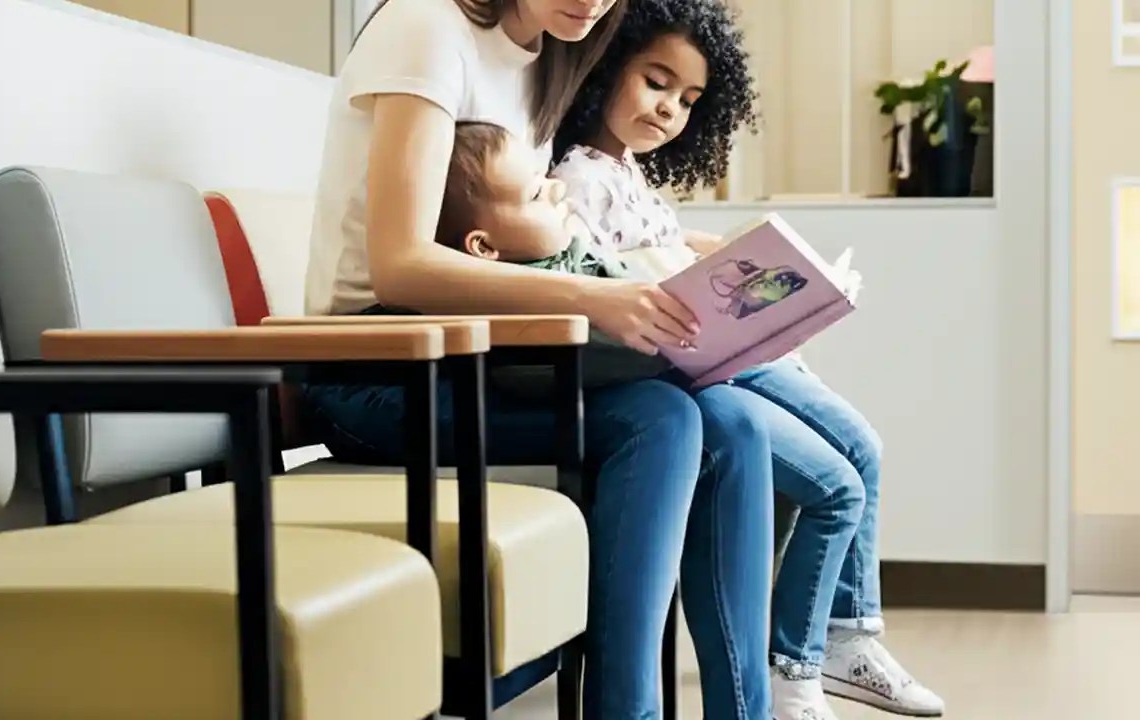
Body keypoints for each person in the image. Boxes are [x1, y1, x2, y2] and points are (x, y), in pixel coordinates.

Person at [301, 0, 777, 717]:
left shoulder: (546, 57)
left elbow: (531, 229)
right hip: (379, 366)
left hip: (484, 350)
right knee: (663, 419)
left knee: (732, 424)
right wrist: (590, 297)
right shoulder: (426, 29)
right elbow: (398, 266)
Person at [547, 0, 947, 717]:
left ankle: (815, 654)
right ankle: (822, 651)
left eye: (688, 99)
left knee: (845, 474)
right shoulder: (578, 176)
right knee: (852, 460)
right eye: (656, 82)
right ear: (608, 65)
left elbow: (658, 243)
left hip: (701, 362)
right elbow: (611, 281)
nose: (670, 109)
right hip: (675, 367)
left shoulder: (627, 174)